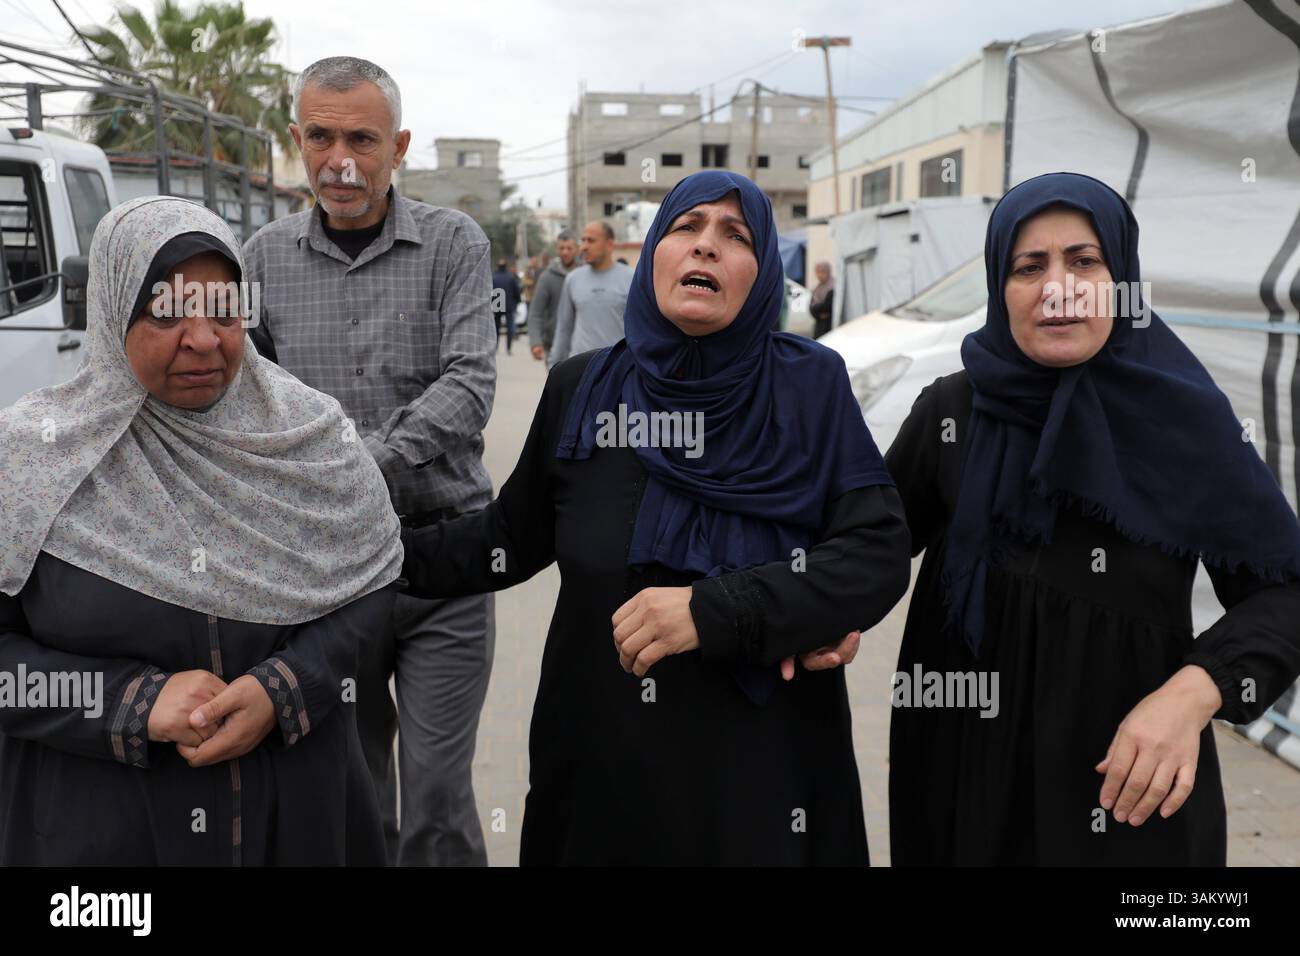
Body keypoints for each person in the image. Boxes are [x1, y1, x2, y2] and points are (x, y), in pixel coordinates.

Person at [401, 170, 912, 865]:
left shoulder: (810, 385)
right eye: (686, 228)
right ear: (654, 257)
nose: (705, 247)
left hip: (762, 775)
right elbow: (508, 541)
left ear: (761, 275)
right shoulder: (582, 388)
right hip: (603, 765)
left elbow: (875, 552)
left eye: (735, 237)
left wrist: (718, 610)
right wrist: (374, 556)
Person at [885, 172, 1300, 865]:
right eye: (1029, 266)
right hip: (962, 776)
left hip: (1131, 786)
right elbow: (867, 546)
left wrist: (1196, 693)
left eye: (1084, 261)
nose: (1059, 286)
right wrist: (801, 612)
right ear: (1000, 285)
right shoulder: (953, 413)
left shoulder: (1183, 424)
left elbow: (1285, 588)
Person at [0, 196, 401, 865]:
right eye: (165, 312)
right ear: (112, 314)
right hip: (97, 836)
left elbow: (370, 587)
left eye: (223, 310)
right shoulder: (34, 459)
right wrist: (129, 702)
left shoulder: (310, 438)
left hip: (297, 820)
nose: (204, 338)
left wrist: (288, 686)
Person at [243, 55, 496, 867]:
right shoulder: (262, 259)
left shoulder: (455, 243)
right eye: (320, 136)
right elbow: (249, 401)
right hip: (331, 572)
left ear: (399, 147)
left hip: (443, 558)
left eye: (362, 137)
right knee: (354, 797)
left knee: (437, 799)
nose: (339, 159)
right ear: (297, 140)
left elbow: (471, 381)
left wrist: (364, 461)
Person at [547, 221, 633, 367]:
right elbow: (564, 328)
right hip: (580, 370)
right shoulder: (572, 279)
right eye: (583, 241)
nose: (584, 246)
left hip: (617, 370)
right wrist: (553, 365)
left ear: (609, 244)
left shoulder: (631, 279)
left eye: (591, 241)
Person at [527, 232, 579, 362]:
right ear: (557, 249)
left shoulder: (585, 275)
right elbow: (535, 313)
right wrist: (535, 342)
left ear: (577, 249)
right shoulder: (547, 278)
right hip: (553, 345)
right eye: (562, 248)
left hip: (583, 346)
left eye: (569, 248)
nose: (565, 252)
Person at [491, 258, 522, 355]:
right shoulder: (511, 277)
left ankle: (495, 348)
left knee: (496, 328)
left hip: (497, 304)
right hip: (509, 305)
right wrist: (518, 301)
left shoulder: (493, 277)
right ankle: (508, 348)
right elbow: (516, 291)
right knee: (509, 328)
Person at [809, 260, 834, 338]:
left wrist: (817, 308)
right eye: (817, 272)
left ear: (828, 272)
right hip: (819, 327)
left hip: (830, 326)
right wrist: (819, 313)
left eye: (822, 272)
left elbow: (828, 306)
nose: (819, 275)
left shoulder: (833, 287)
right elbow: (811, 309)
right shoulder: (816, 289)